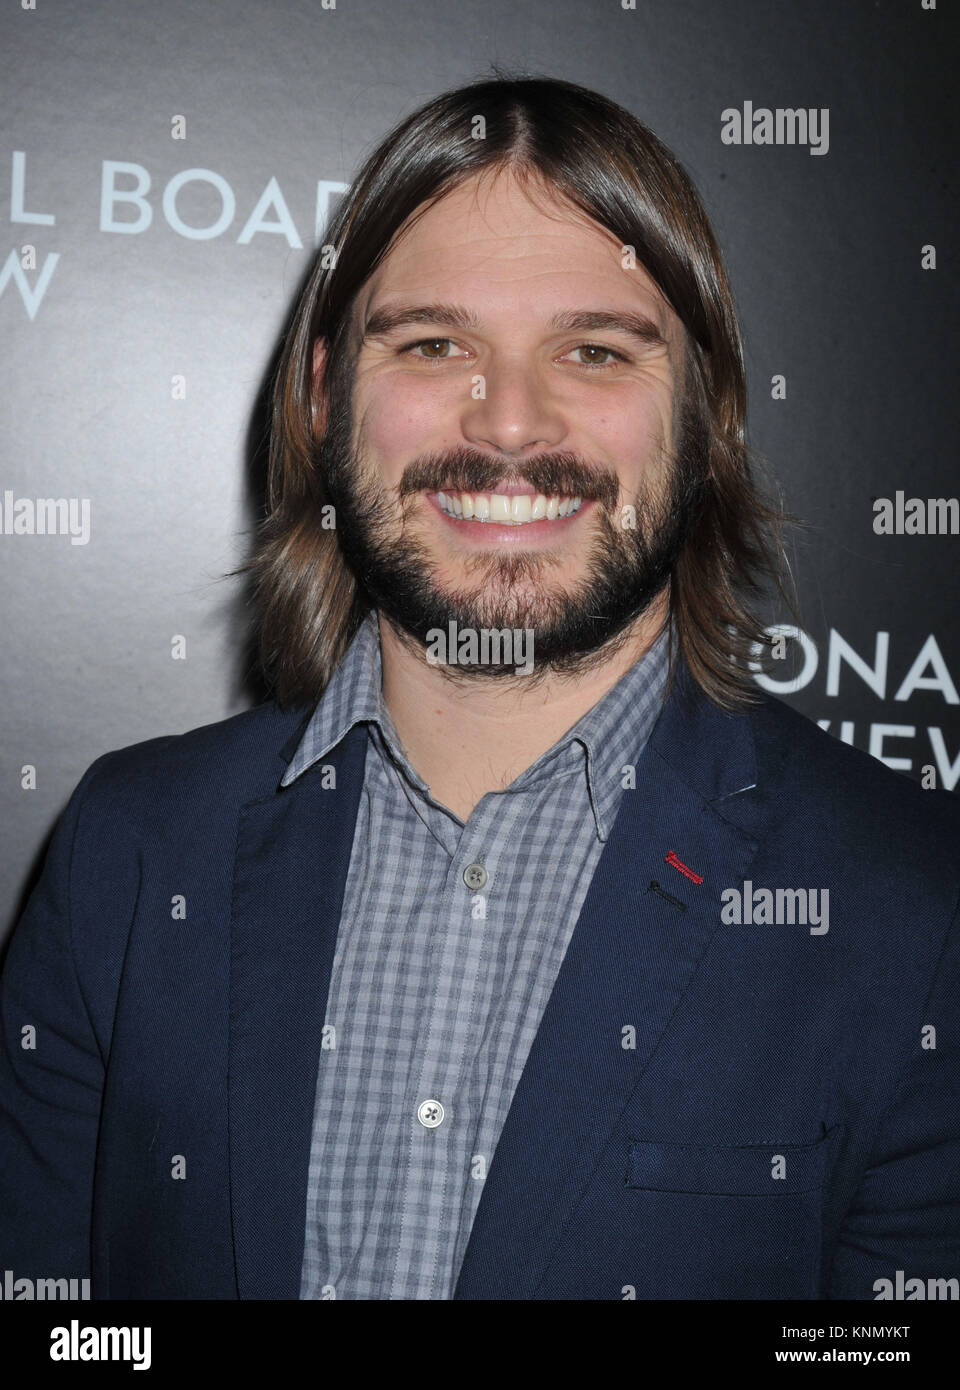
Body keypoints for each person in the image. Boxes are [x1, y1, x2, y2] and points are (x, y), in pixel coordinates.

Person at [1, 74, 957, 1301]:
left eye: (596, 350)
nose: (509, 421)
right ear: (324, 391)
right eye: (436, 344)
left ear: (707, 418)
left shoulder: (915, 914)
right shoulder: (127, 857)